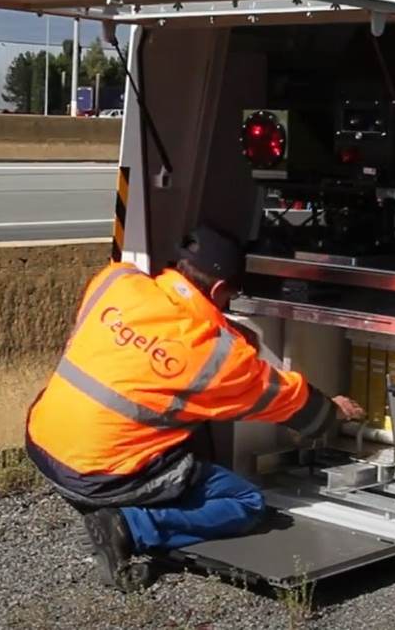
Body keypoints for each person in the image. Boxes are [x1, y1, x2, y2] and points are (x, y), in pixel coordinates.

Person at [25, 225, 365, 590]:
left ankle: (111, 501)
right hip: (98, 475)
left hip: (42, 443)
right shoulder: (217, 356)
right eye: (232, 293)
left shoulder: (116, 282)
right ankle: (127, 526)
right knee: (246, 502)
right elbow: (293, 404)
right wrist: (332, 412)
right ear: (219, 290)